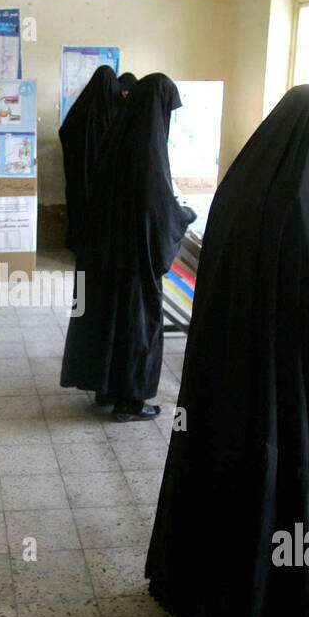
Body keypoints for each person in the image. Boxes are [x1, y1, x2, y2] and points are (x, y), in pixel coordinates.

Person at [145, 85, 309, 617]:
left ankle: (206, 603)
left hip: (227, 377)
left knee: (228, 479)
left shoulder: (242, 185)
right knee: (298, 490)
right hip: (285, 393)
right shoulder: (307, 201)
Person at [59, 72, 185, 421]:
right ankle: (131, 401)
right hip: (132, 266)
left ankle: (105, 387)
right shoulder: (149, 150)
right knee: (136, 325)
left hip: (102, 258)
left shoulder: (116, 139)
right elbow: (156, 212)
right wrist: (182, 217)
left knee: (105, 320)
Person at [59, 65, 122, 256]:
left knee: (80, 208)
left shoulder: (79, 109)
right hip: (104, 180)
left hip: (79, 175)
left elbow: (64, 132)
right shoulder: (115, 114)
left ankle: (78, 245)